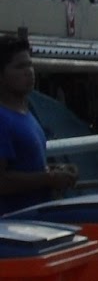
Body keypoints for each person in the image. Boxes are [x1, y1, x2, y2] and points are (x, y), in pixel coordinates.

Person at [0, 35, 77, 213]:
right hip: (12, 229)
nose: (29, 72)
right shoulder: (2, 119)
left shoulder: (26, 114)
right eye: (20, 67)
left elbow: (26, 167)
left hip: (36, 224)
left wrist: (57, 171)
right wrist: (48, 179)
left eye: (30, 65)